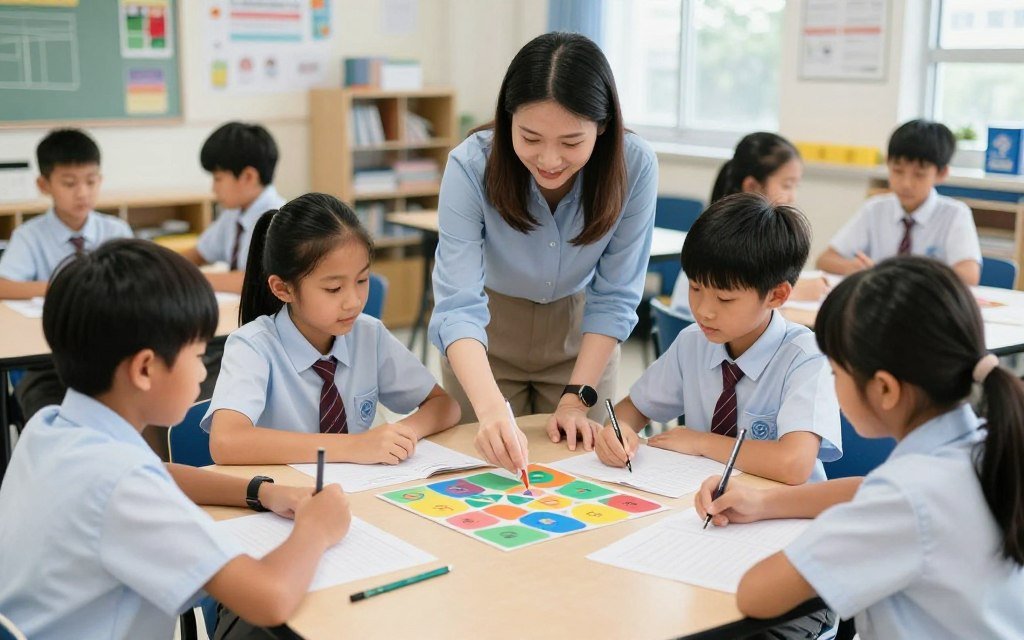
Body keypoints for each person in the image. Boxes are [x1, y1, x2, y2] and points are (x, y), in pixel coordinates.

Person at [0, 239, 351, 639]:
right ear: (144, 369)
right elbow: (268, 598)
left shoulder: (50, 427)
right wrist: (316, 528)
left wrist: (261, 491)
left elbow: (155, 473)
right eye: (198, 356)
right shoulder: (122, 485)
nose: (202, 373)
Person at [696, 256, 1024, 638]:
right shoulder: (986, 445)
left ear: (884, 389)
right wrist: (765, 502)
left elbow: (757, 596)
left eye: (836, 372)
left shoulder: (906, 498)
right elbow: (868, 490)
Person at [429, 32, 658, 473]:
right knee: (483, 474)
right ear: (507, 118)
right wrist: (490, 410)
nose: (549, 160)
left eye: (571, 142)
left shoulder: (635, 166)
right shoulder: (470, 165)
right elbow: (458, 305)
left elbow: (615, 295)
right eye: (530, 137)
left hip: (581, 339)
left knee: (584, 473)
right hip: (485, 339)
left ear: (603, 125)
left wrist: (577, 399)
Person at [596, 193, 841, 485]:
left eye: (725, 299)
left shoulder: (805, 358)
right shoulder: (693, 342)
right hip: (704, 500)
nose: (703, 311)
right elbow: (633, 408)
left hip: (784, 508)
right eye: (695, 288)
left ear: (776, 296)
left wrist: (702, 442)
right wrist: (618, 431)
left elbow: (793, 464)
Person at [204, 193, 460, 464]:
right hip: (285, 488)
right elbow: (225, 442)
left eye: (362, 280)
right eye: (334, 288)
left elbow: (444, 405)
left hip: (357, 485)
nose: (354, 302)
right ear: (283, 289)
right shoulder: (253, 346)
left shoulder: (369, 335)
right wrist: (353, 446)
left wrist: (401, 435)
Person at [0, 128, 133, 420]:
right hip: (47, 363)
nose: (82, 192)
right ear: (44, 184)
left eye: (91, 181)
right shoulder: (29, 236)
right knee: (54, 417)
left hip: (109, 356)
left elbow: (138, 284)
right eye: (69, 183)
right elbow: (3, 285)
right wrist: (65, 288)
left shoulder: (116, 231)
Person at [669, 132, 828, 313]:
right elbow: (734, 291)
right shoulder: (728, 238)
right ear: (752, 186)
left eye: (795, 186)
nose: (792, 197)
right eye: (786, 185)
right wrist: (797, 291)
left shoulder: (757, 236)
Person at [816, 120, 982, 286]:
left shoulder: (955, 214)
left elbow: (969, 275)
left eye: (919, 174)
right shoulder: (875, 209)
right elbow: (825, 260)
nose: (906, 184)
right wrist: (854, 268)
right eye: (898, 171)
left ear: (942, 173)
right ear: (887, 164)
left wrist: (908, 276)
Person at [183, 122, 286, 293]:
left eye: (218, 178)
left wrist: (188, 278)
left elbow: (256, 281)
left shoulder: (278, 219)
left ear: (248, 177)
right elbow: (199, 253)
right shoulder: (234, 213)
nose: (214, 188)